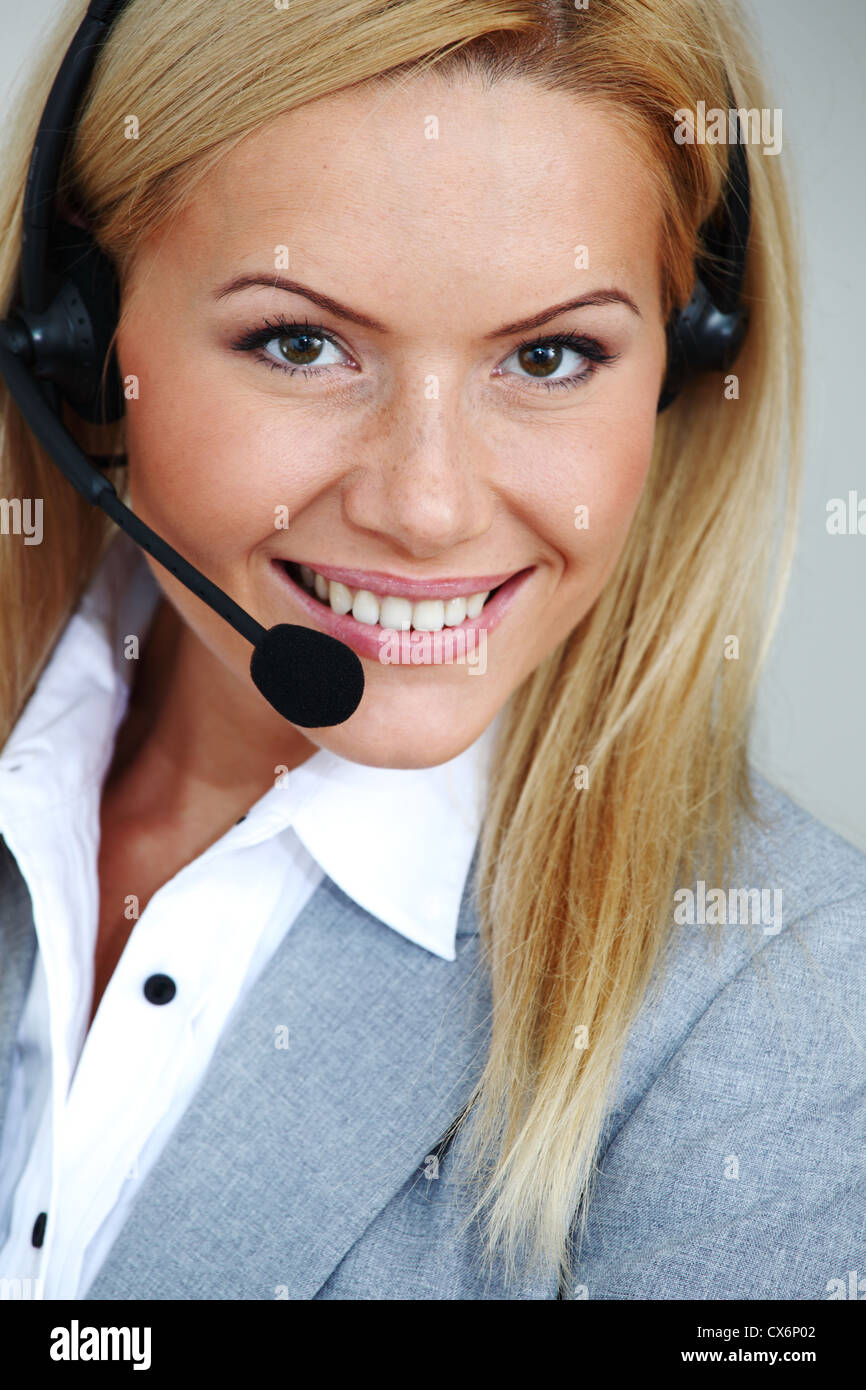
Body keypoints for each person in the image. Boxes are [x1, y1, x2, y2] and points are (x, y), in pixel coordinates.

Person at [0, 0, 862, 1301]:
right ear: (77, 344)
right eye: (300, 343)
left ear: (680, 367)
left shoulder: (786, 1005)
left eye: (549, 354)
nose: (428, 505)